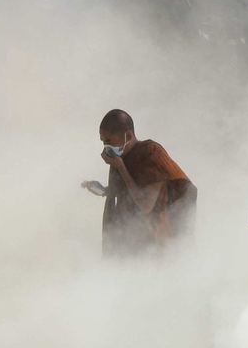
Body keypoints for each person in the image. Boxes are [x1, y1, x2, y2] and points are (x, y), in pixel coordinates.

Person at [83, 109, 197, 256]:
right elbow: (126, 192)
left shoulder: (150, 153)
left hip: (157, 240)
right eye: (103, 142)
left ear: (128, 135)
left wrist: (121, 168)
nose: (106, 147)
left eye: (109, 141)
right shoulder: (120, 158)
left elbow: (146, 205)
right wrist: (104, 190)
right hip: (130, 239)